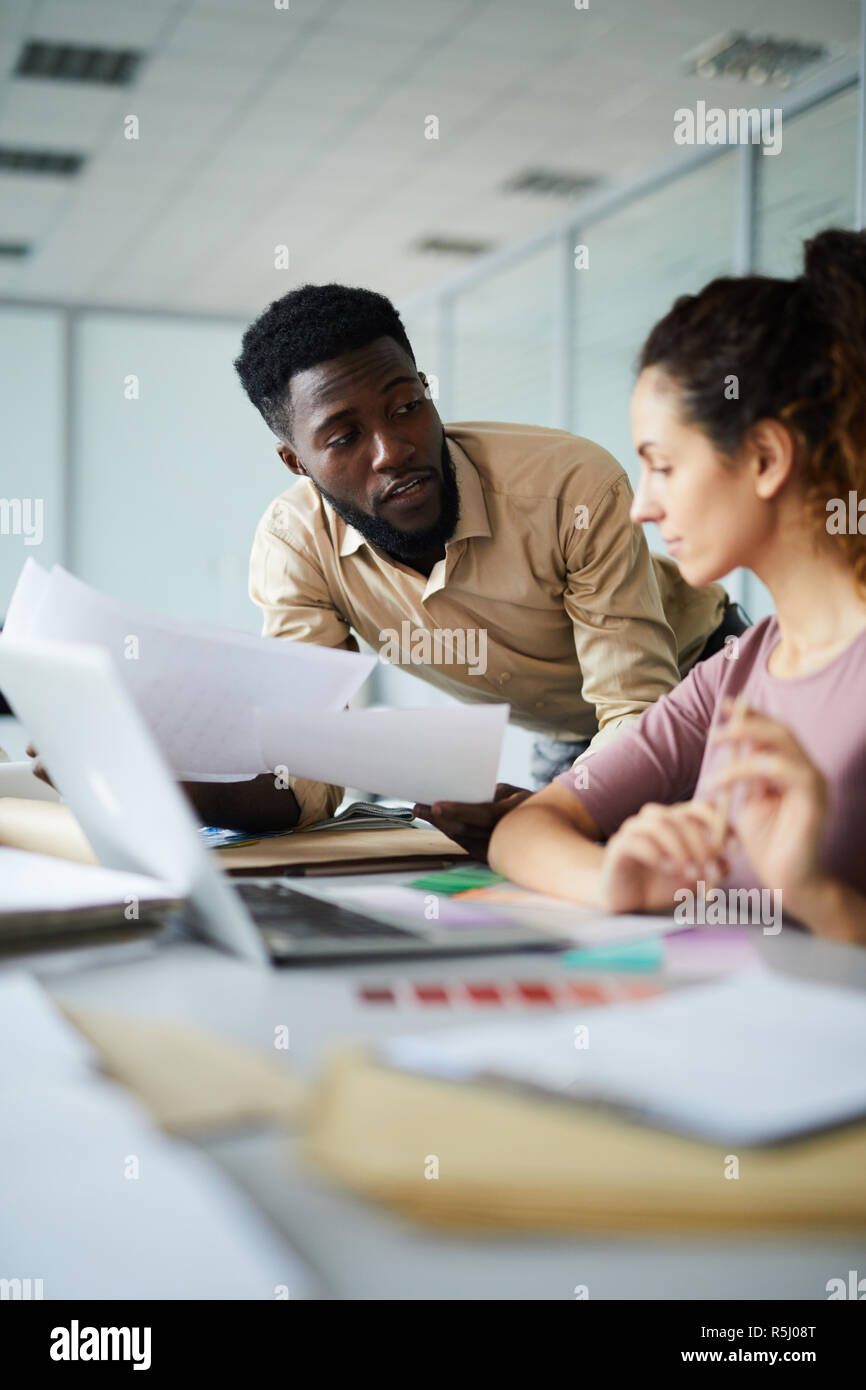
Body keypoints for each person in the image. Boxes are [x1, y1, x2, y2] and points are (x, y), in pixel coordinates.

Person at [184, 284, 744, 858]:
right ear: (295, 461)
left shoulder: (569, 487)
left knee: (723, 884)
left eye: (407, 407)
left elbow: (637, 707)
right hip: (570, 735)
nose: (392, 450)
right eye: (346, 436)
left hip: (704, 688)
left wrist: (551, 813)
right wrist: (174, 782)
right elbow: (307, 766)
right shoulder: (295, 546)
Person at [489, 229, 866, 943]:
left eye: (662, 465)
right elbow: (528, 829)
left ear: (762, 456)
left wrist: (816, 895)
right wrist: (615, 878)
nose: (642, 506)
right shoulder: (740, 669)